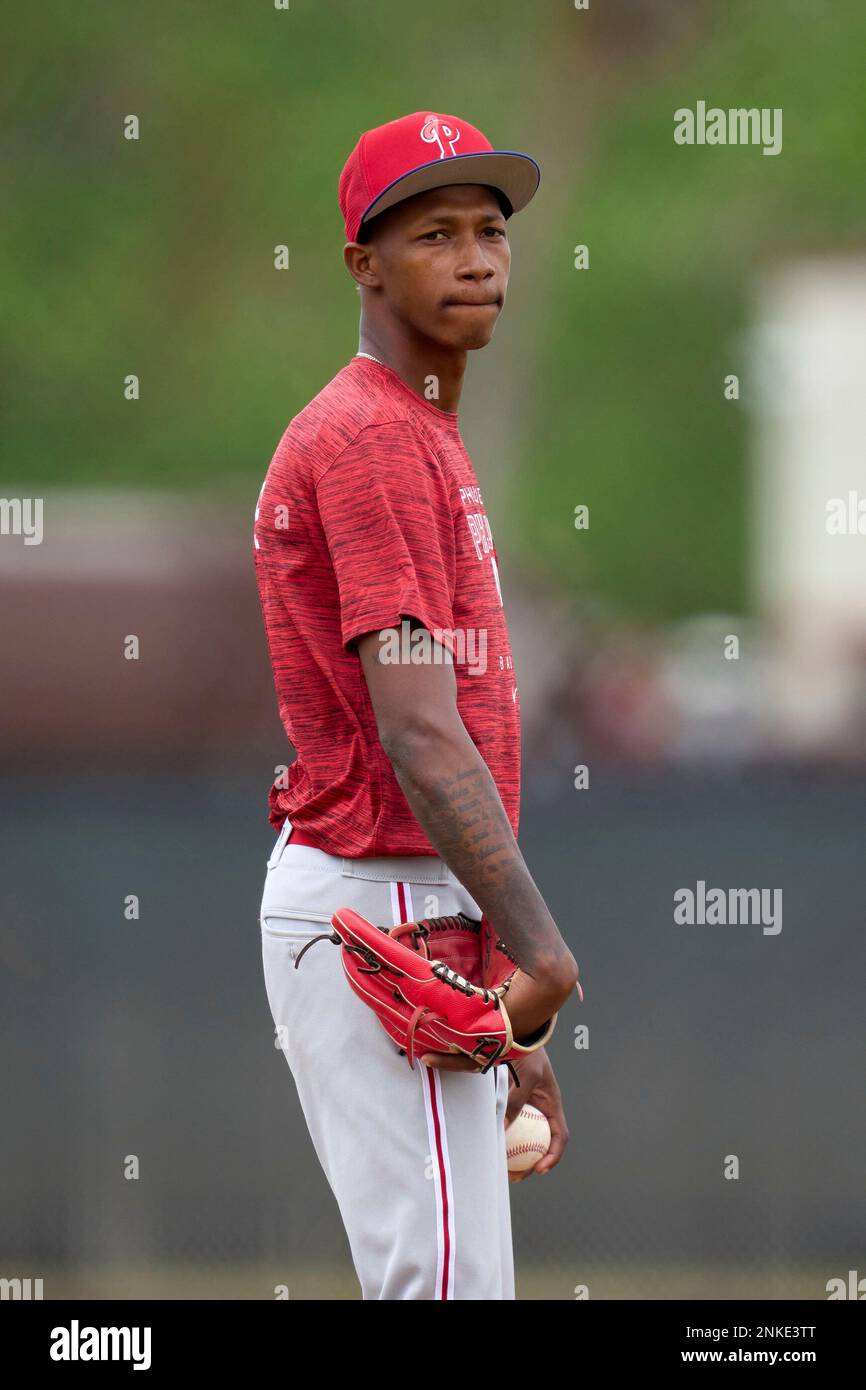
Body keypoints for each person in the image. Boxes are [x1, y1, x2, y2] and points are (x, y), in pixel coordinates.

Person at [253, 110, 579, 1300]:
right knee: (438, 1290)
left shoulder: (422, 432)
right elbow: (420, 730)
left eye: (489, 230)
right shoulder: (369, 438)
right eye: (433, 232)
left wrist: (517, 1023)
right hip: (378, 901)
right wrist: (538, 958)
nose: (476, 256)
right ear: (363, 263)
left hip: (415, 901)